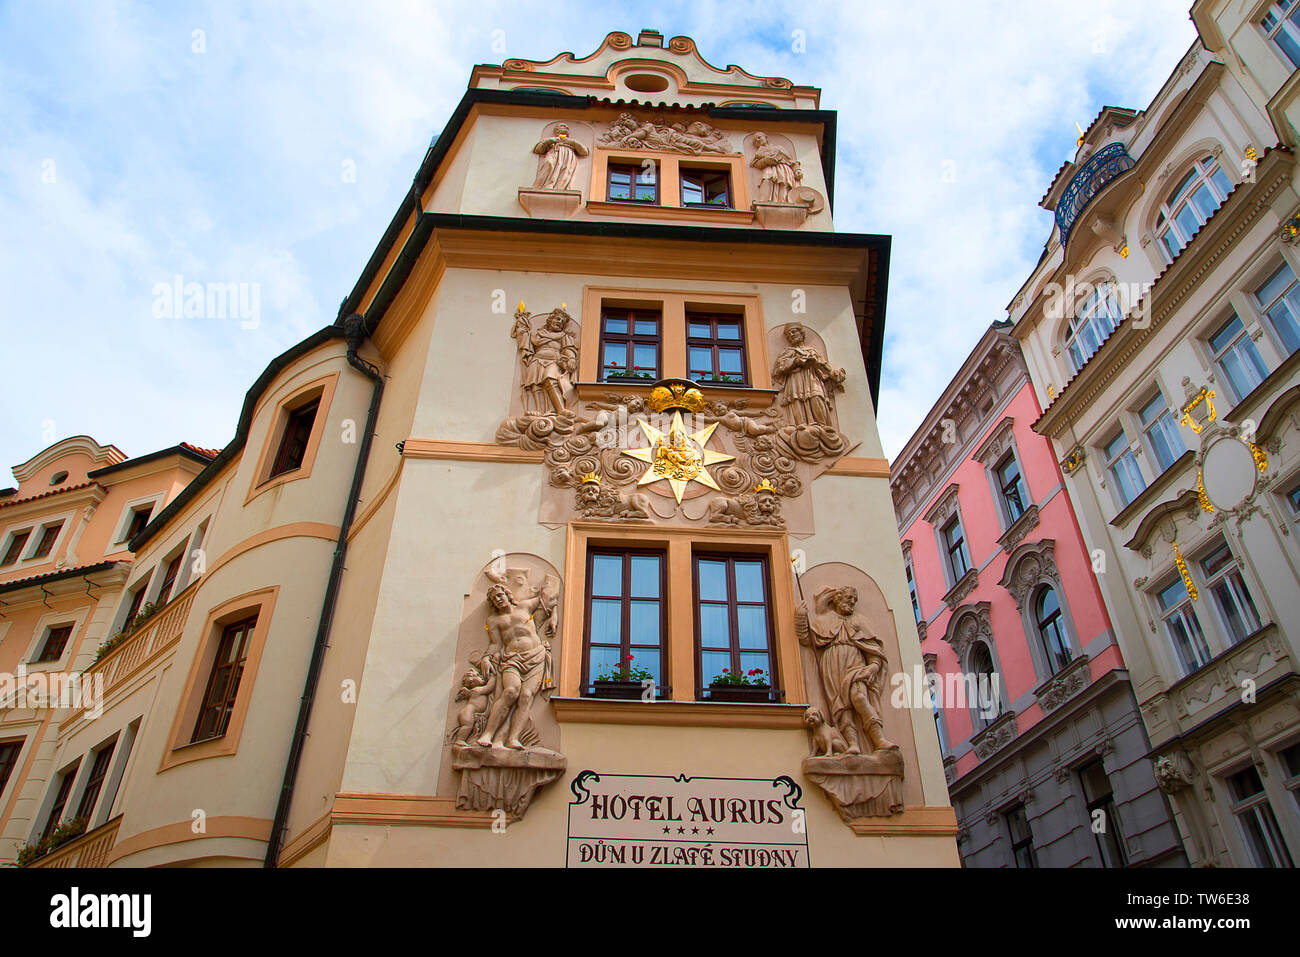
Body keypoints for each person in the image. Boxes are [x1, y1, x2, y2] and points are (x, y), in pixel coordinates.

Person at [796, 586, 897, 755]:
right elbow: (808, 640)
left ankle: (878, 739)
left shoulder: (860, 621)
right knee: (841, 708)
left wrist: (874, 666)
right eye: (849, 598)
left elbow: (873, 650)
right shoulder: (823, 620)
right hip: (831, 666)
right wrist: (800, 618)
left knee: (859, 697)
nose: (852, 602)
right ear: (837, 599)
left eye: (854, 600)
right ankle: (853, 745)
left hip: (854, 664)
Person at [476, 582, 555, 750]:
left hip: (536, 656)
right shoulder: (493, 620)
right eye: (494, 599)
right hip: (512, 659)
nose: (498, 600)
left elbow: (549, 598)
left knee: (526, 696)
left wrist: (554, 616)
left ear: (507, 594)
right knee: (511, 691)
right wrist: (486, 658)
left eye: (500, 595)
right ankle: (488, 733)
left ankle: (513, 738)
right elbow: (495, 643)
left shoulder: (525, 605)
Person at [531, 124, 588, 190]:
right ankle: (546, 184)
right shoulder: (552, 140)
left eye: (567, 127)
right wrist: (551, 140)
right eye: (562, 126)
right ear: (556, 130)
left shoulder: (571, 142)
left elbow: (584, 152)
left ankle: (560, 187)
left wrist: (572, 142)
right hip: (553, 153)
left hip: (567, 156)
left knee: (565, 170)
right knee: (549, 163)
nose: (566, 127)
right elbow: (539, 150)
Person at [750, 132, 803, 203]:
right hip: (769, 168)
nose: (758, 140)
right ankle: (764, 201)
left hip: (783, 168)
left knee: (784, 184)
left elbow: (791, 161)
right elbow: (755, 163)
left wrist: (797, 170)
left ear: (765, 137)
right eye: (755, 141)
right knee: (766, 180)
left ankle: (783, 202)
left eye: (759, 137)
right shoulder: (758, 153)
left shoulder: (779, 148)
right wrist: (766, 161)